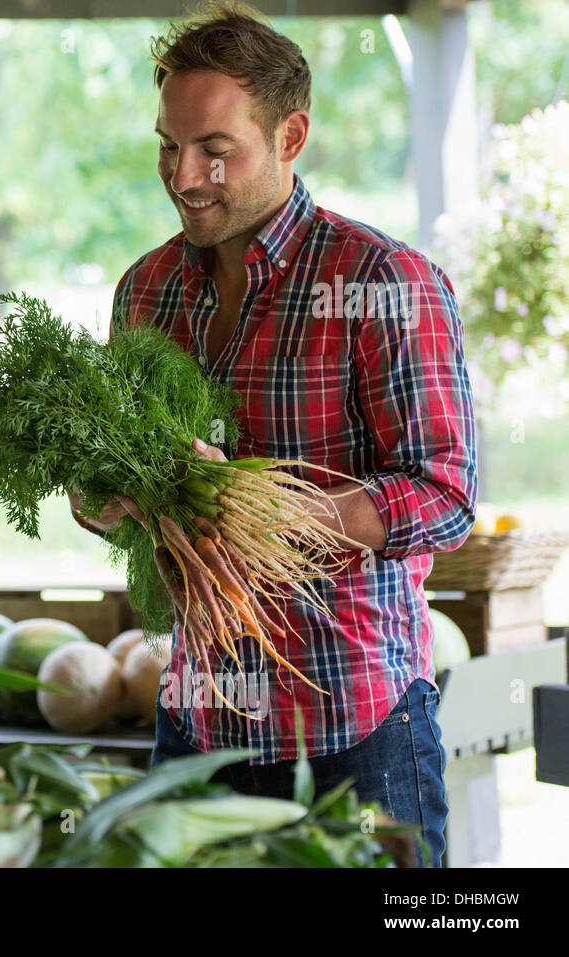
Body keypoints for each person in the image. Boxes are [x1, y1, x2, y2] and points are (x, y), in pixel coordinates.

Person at [68, 0, 477, 867]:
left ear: (290, 137)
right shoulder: (145, 290)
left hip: (354, 731)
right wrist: (110, 495)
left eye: (216, 150)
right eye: (169, 146)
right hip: (196, 722)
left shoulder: (383, 281)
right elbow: (98, 496)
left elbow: (445, 492)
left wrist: (256, 506)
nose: (184, 175)